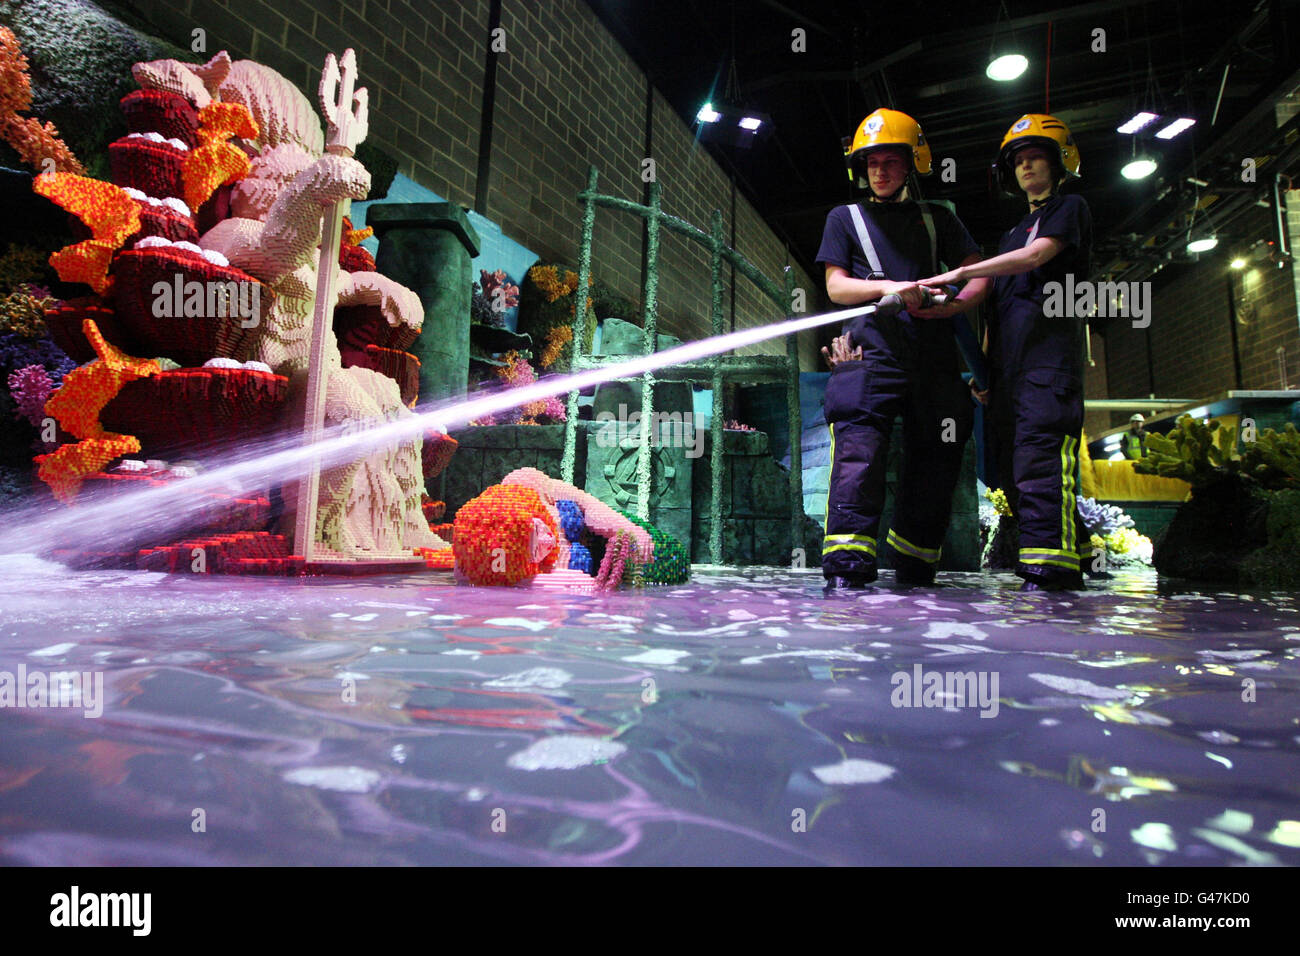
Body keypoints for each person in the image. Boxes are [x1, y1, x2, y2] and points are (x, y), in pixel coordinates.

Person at [816, 107, 990, 590]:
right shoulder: (843, 217)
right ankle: (848, 569)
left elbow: (978, 275)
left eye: (890, 160)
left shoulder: (940, 218)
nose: (880, 170)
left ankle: (915, 567)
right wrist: (894, 286)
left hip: (934, 358)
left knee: (937, 456)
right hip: (869, 357)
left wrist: (955, 307)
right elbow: (836, 288)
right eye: (871, 162)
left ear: (913, 162)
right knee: (859, 456)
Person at [920, 113, 1092, 591]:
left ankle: (1052, 575)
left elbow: (1037, 258)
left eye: (1037, 157)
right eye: (1019, 161)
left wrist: (959, 273)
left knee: (1041, 463)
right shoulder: (1012, 235)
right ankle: (1034, 568)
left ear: (1060, 163)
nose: (1027, 167)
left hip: (1048, 367)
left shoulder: (1069, 209)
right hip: (1009, 375)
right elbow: (996, 310)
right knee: (1013, 472)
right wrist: (984, 372)